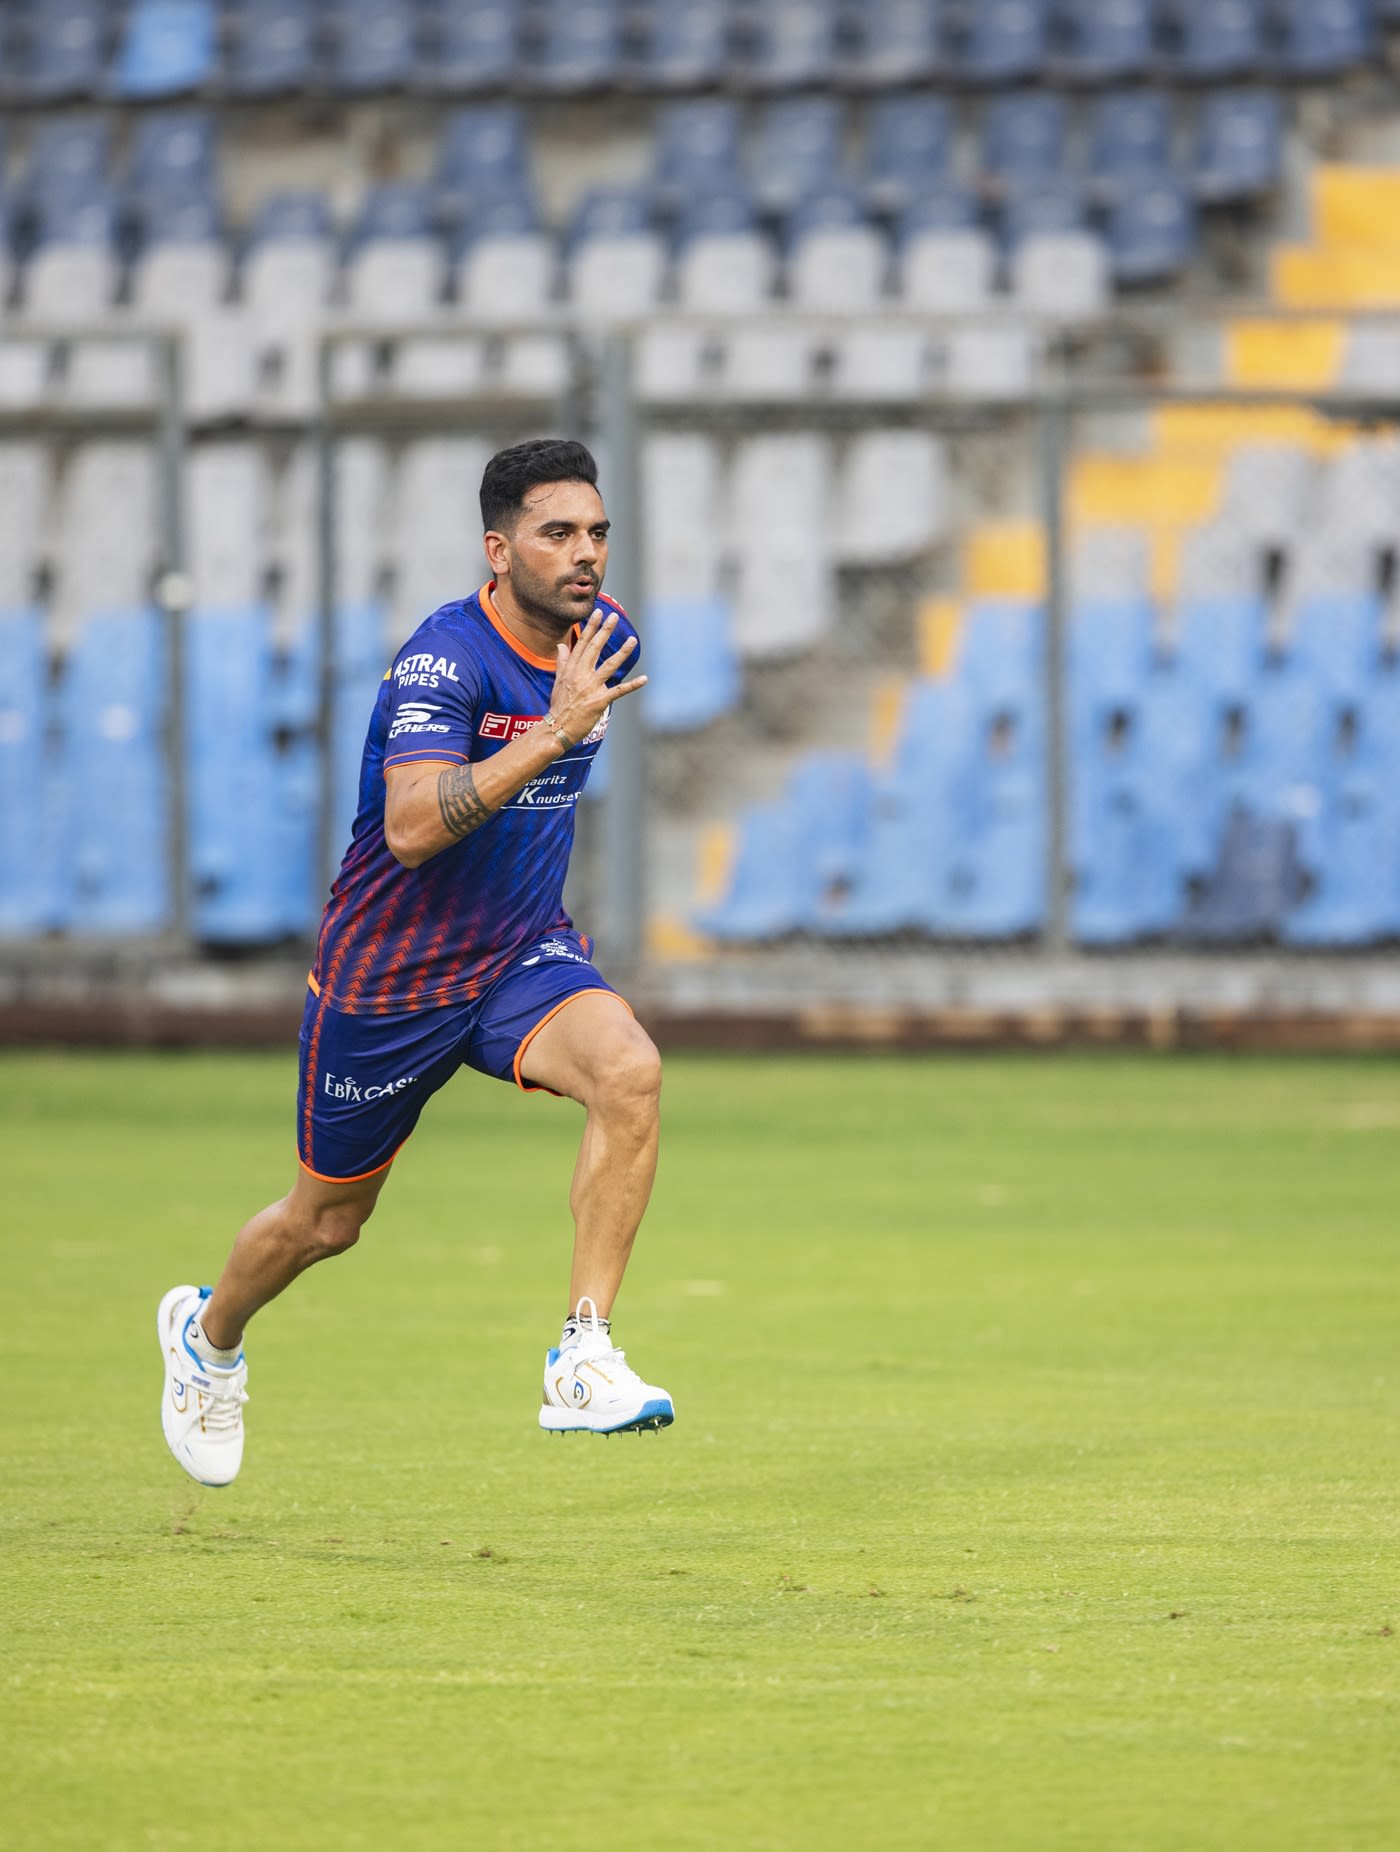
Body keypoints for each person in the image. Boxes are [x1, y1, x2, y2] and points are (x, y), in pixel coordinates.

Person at [158, 438, 673, 1487]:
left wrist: (563, 715)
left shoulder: (601, 638)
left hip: (519, 952)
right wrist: (554, 730)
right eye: (558, 533)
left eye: (597, 533)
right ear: (497, 549)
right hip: (387, 983)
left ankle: (581, 1355)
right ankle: (207, 1341)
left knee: (628, 1070)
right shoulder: (443, 658)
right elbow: (408, 829)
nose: (587, 555)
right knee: (325, 1223)